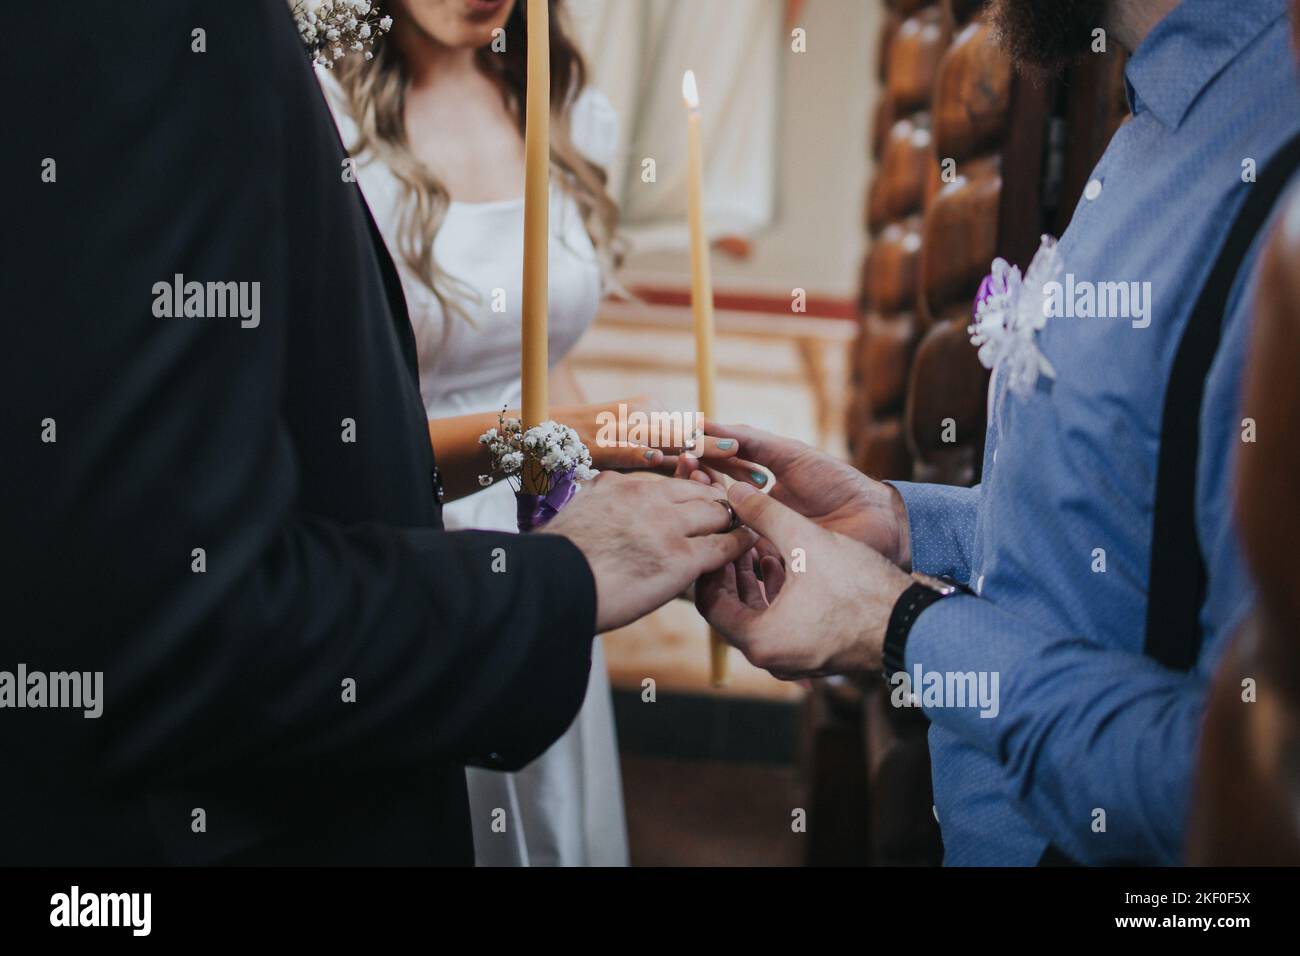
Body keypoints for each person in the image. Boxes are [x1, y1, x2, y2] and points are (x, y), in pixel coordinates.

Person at [0, 0, 754, 865]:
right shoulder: (277, 79)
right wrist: (560, 540)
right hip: (399, 572)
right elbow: (186, 581)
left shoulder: (567, 106)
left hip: (517, 555)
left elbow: (536, 353)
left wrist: (594, 466)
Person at [698, 0, 1300, 865]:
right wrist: (905, 525)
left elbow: (1233, 788)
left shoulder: (1275, 165)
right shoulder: (1167, 108)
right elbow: (1120, 542)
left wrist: (898, 623)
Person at [317, 0, 689, 868]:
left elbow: (543, 363)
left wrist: (629, 484)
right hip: (409, 544)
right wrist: (567, 434)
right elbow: (338, 437)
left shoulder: (560, 105)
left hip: (544, 544)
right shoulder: (322, 114)